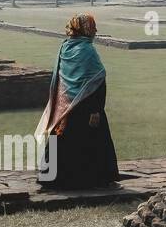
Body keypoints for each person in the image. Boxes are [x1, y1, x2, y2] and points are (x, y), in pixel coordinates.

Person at [34, 12, 119, 189]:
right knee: (92, 141)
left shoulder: (65, 47)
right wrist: (96, 109)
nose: (95, 30)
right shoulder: (87, 50)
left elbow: (60, 77)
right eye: (92, 26)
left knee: (61, 141)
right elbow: (98, 79)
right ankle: (96, 180)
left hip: (64, 103)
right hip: (86, 105)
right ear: (86, 29)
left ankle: (51, 178)